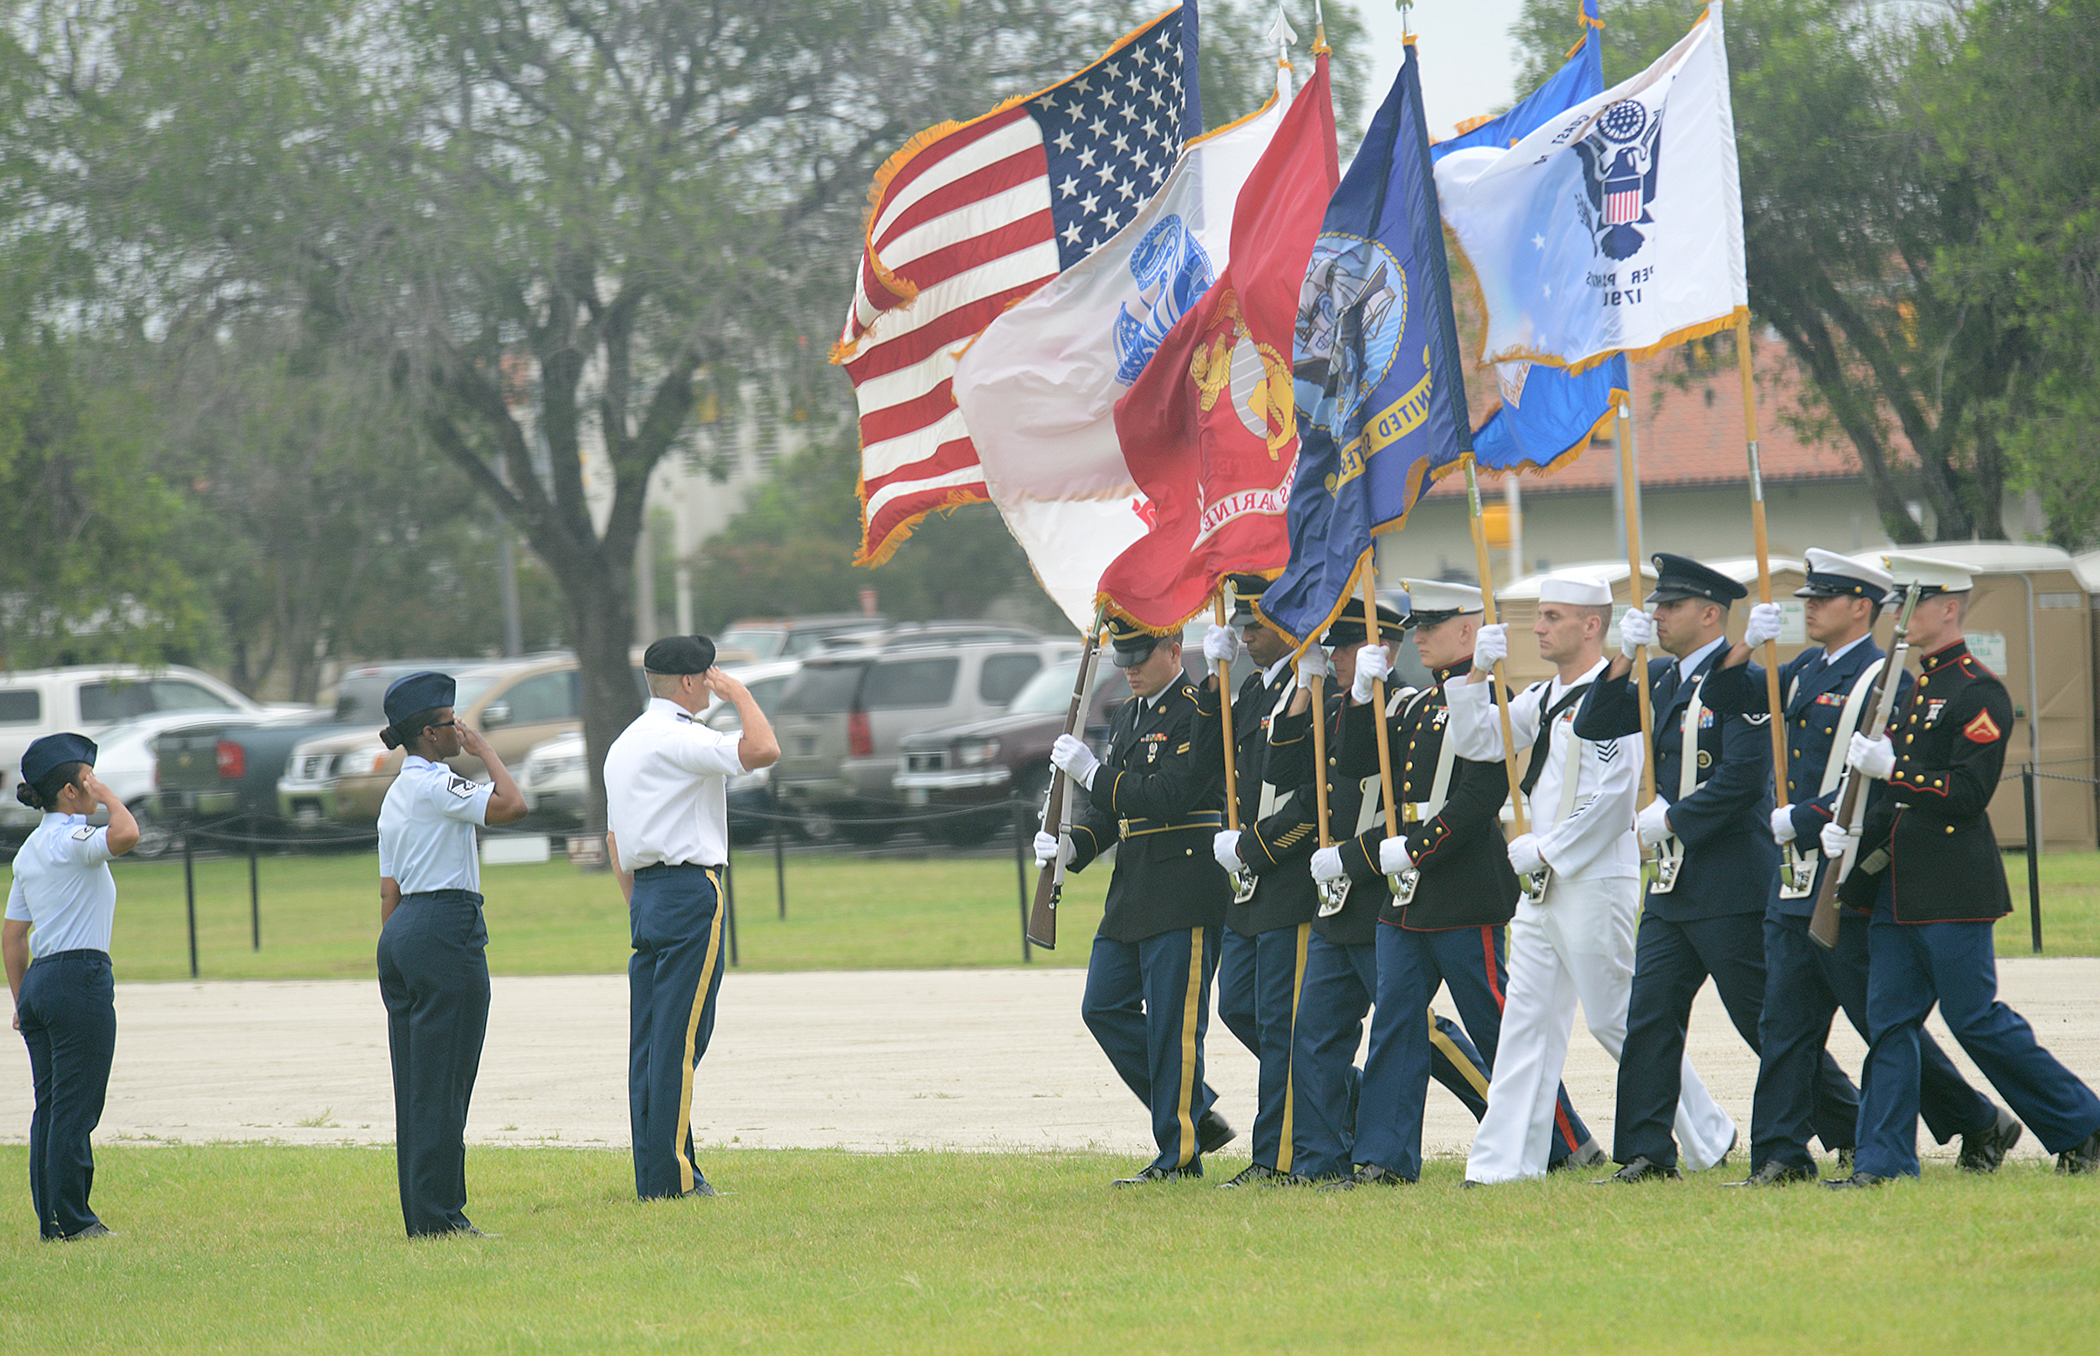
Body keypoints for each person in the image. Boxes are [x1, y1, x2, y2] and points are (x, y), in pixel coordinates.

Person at [1702, 550, 2017, 1186]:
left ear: (1861, 607)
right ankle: (1781, 1156)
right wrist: (1743, 647)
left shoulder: (1892, 677)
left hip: (1846, 867)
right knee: (1783, 1017)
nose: (1808, 608)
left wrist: (1809, 817)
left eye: (1824, 598)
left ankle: (1977, 1118)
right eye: (1807, 599)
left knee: (1877, 1018)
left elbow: (1876, 783)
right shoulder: (1803, 669)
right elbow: (1725, 694)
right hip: (1794, 872)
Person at [1272, 604, 1582, 1183]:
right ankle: (1383, 1160)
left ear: (1467, 631)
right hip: (1408, 893)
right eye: (1416, 628)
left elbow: (1482, 794)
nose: (1419, 638)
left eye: (1431, 628)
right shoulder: (1414, 703)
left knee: (1496, 1024)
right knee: (1395, 1023)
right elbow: (1360, 762)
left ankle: (1567, 1140)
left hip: (1462, 885)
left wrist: (1415, 848)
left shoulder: (1488, 697)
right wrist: (1364, 695)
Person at [1575, 553, 1856, 1183]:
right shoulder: (1666, 679)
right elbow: (1594, 723)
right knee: (1648, 1015)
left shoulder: (1742, 682)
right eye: (1654, 606)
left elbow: (1741, 780)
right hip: (1675, 887)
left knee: (1766, 1023)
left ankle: (1853, 1126)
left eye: (1669, 607)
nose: (1656, 615)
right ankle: (1648, 1152)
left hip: (1731, 881)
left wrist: (1671, 819)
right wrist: (1622, 658)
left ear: (1709, 614)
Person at [1827, 553, 2100, 1187]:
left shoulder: (1978, 691)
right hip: (1896, 888)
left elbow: (1968, 794)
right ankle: (1884, 1164)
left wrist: (1892, 770)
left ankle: (2082, 1122)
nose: (1900, 614)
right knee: (1889, 1026)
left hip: (1952, 888)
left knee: (1975, 1019)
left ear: (1949, 608)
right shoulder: (1914, 685)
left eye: (1913, 602)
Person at [1452, 575, 1735, 1185]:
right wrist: (1476, 676)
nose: (1539, 626)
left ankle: (1706, 1131)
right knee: (1526, 1019)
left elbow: (1613, 800)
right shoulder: (1546, 695)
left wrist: (1546, 849)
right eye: (1539, 616)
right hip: (1541, 881)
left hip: (1590, 877)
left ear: (1591, 625)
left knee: (1616, 1018)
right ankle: (1502, 1161)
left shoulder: (1617, 695)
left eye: (1553, 616)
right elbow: (1478, 741)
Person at [1038, 617, 1235, 1185]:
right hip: (1132, 891)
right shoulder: (1128, 713)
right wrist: (1071, 844)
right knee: (1101, 1005)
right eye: (1122, 656)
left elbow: (1170, 797)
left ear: (1175, 650)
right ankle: (1193, 1109)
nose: (1128, 667)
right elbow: (1112, 814)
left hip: (1184, 889)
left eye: (1141, 656)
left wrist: (1093, 772)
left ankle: (1178, 1156)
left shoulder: (1200, 712)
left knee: (1174, 1026)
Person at [605, 635, 780, 1201]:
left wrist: (640, 903)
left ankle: (657, 1170)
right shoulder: (680, 738)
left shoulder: (625, 743)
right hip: (686, 890)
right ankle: (671, 1179)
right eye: (709, 674)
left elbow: (614, 838)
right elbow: (763, 751)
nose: (714, 681)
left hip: (648, 893)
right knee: (681, 1040)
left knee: (652, 1043)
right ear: (688, 682)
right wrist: (742, 694)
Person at [375, 671, 530, 1238]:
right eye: (451, 723)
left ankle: (424, 1215)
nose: (459, 729)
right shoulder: (436, 783)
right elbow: (512, 805)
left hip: (404, 931)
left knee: (416, 1083)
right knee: (445, 1084)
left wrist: (395, 953)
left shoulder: (396, 795)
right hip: (445, 927)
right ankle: (441, 1219)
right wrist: (486, 750)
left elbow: (388, 891)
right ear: (429, 733)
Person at [1199, 575, 1324, 1187]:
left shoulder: (1312, 690)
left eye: (1255, 625)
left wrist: (1256, 847)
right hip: (1246, 881)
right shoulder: (1246, 691)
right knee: (1239, 1007)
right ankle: (1332, 1096)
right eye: (1240, 626)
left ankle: (1275, 1157)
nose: (1245, 636)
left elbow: (1314, 796)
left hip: (1290, 873)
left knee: (1282, 1020)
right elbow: (1208, 752)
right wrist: (1209, 678)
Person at [4, 734, 138, 1241]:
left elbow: (13, 936)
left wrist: (22, 1001)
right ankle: (73, 1221)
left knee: (52, 1105)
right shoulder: (69, 841)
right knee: (76, 1107)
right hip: (78, 977)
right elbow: (126, 835)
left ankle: (51, 1220)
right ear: (70, 789)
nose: (94, 783)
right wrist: (108, 796)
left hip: (41, 979)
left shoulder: (31, 850)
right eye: (87, 777)